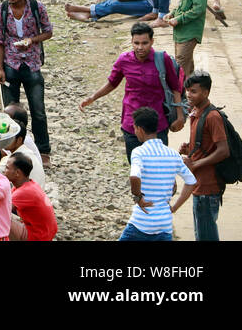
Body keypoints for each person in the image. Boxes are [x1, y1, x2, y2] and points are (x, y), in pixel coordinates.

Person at [81, 22, 186, 157]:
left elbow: (175, 87)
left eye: (144, 43)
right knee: (136, 166)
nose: (140, 47)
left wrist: (180, 115)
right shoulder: (124, 60)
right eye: (136, 43)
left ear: (152, 41)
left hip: (157, 124)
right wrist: (93, 98)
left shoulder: (162, 59)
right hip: (131, 124)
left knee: (158, 163)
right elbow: (112, 83)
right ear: (131, 42)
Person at [0, 0, 51, 164]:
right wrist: (0, 69)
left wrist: (32, 40)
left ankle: (43, 151)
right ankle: (11, 149)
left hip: (32, 64)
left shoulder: (36, 7)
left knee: (38, 110)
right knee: (11, 112)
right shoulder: (1, 10)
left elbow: (48, 31)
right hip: (11, 64)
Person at [120, 106, 195, 241]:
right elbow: (191, 181)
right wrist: (174, 208)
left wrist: (138, 197)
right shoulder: (172, 154)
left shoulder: (139, 152)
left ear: (141, 130)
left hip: (141, 223)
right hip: (164, 224)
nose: (135, 132)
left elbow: (134, 176)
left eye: (135, 128)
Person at [179, 72, 229, 241]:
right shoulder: (196, 112)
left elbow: (223, 150)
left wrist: (196, 164)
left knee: (206, 236)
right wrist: (189, 149)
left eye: (193, 91)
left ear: (206, 93)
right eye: (187, 90)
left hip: (208, 187)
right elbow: (206, 144)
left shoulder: (212, 116)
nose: (188, 95)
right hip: (199, 185)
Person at [157, 0, 208, 80]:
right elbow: (183, 4)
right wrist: (172, 14)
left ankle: (180, 97)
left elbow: (199, 9)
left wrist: (179, 19)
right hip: (180, 31)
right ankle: (191, 95)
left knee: (179, 67)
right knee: (187, 67)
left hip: (190, 31)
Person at [5, 151, 57, 241]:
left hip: (39, 236)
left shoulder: (23, 192)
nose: (4, 171)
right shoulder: (29, 184)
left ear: (17, 173)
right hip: (46, 232)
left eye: (7, 168)